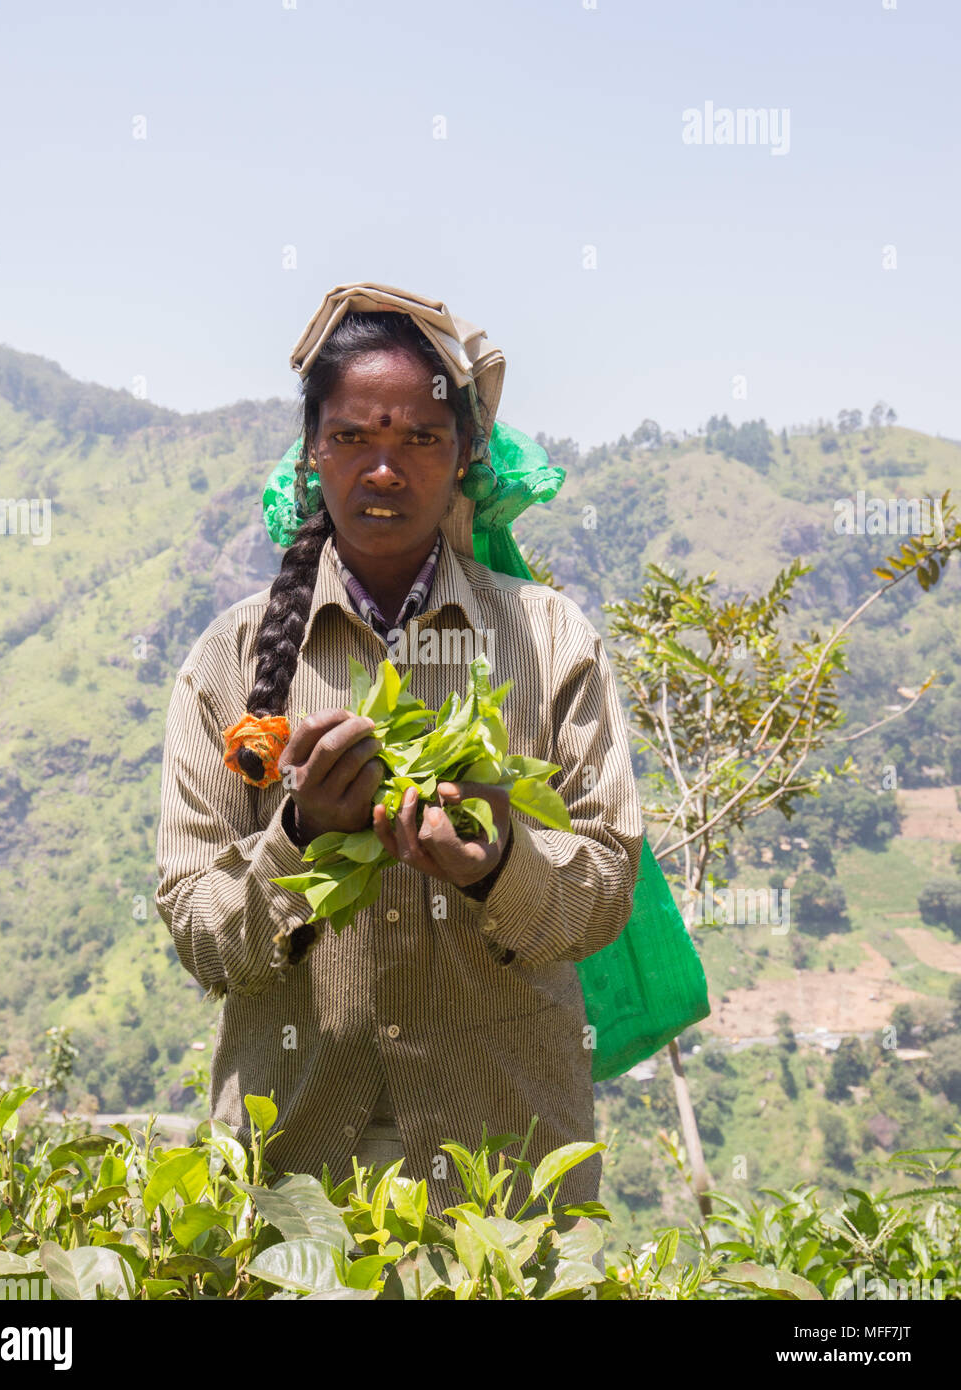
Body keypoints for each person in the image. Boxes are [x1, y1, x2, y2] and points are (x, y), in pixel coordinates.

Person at [155, 282, 644, 1234]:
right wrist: (298, 835)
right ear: (312, 455)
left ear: (464, 457)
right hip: (294, 1184)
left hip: (508, 1179)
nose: (385, 468)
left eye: (421, 438)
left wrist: (500, 863)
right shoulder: (229, 661)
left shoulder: (547, 641)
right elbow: (197, 929)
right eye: (352, 438)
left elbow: (605, 890)